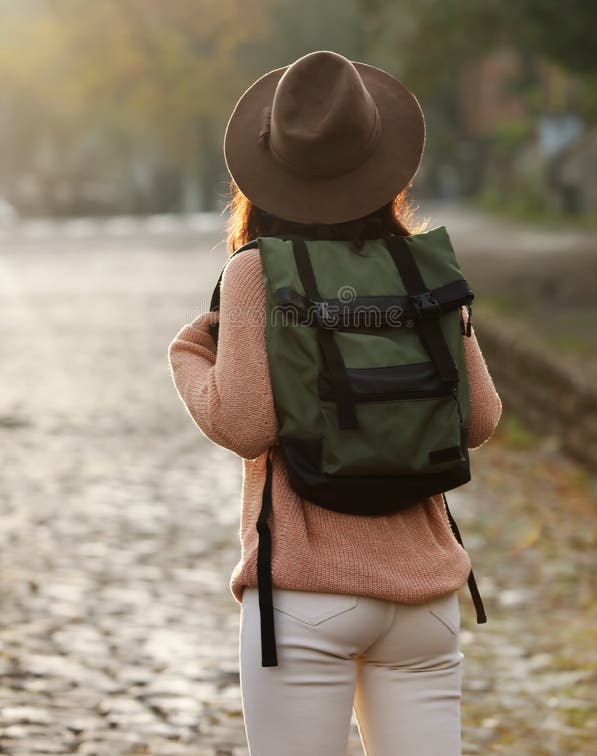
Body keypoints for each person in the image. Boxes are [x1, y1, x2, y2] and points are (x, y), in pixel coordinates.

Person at [168, 50, 502, 756]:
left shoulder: (257, 272)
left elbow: (247, 424)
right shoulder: (420, 264)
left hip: (308, 594)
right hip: (426, 597)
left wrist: (191, 358)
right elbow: (481, 419)